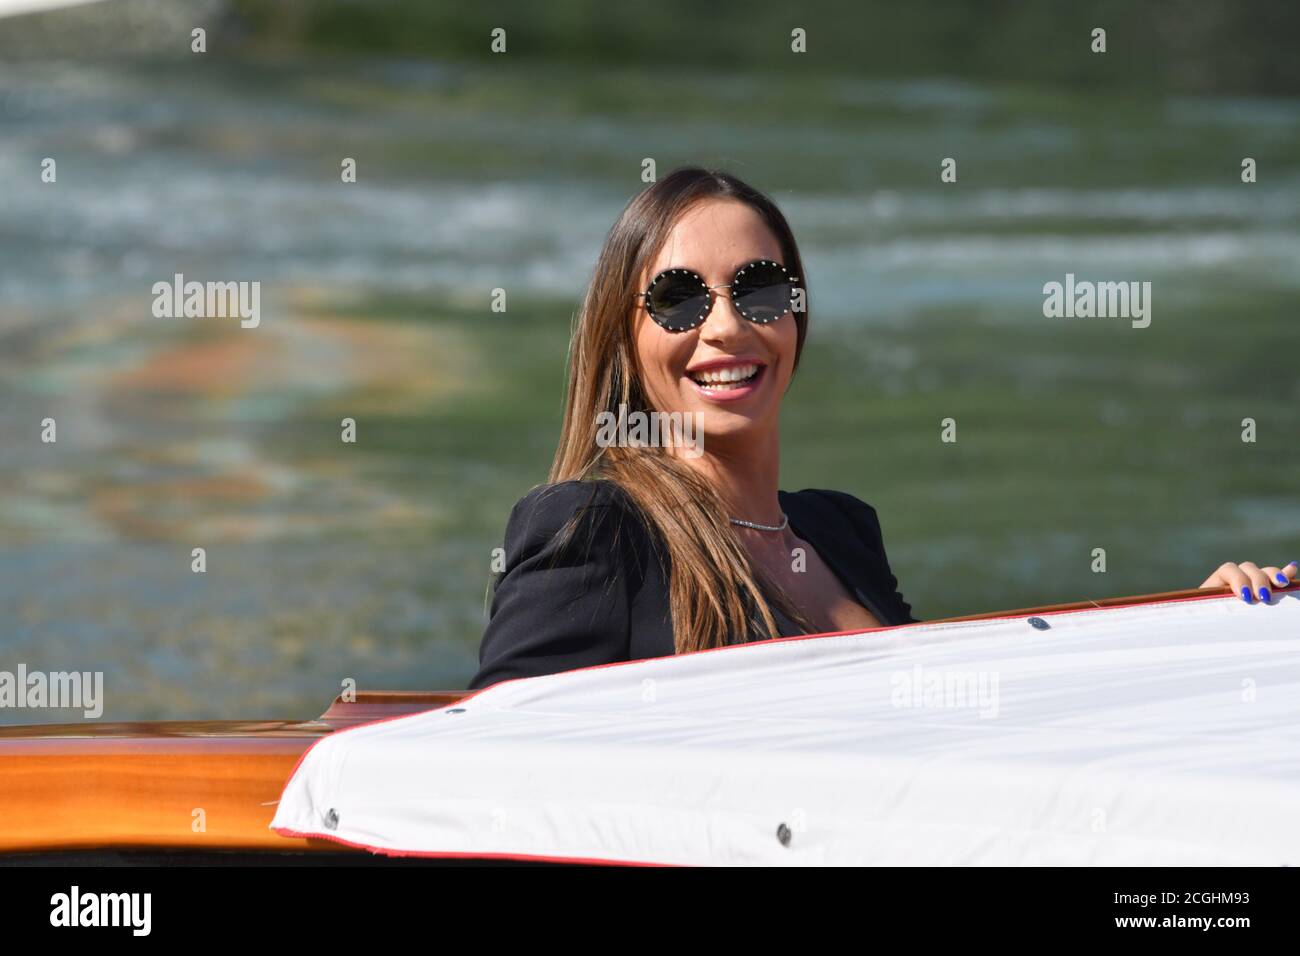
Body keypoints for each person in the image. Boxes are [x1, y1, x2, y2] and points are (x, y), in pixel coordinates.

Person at [468, 167, 1297, 690]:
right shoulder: (591, 529)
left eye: (760, 289)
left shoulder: (842, 529)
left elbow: (965, 718)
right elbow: (487, 777)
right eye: (679, 299)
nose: (725, 326)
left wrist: (1191, 631)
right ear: (623, 336)